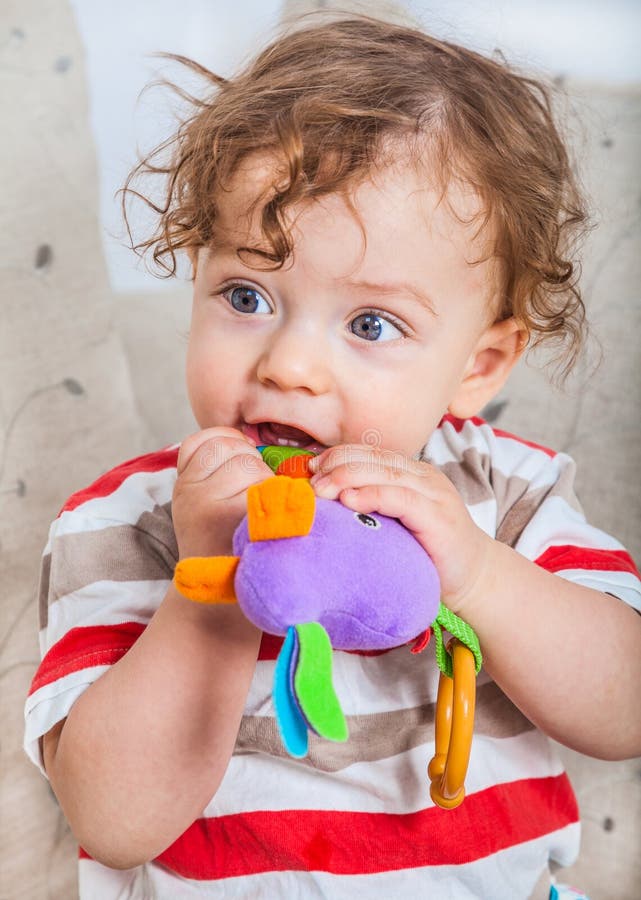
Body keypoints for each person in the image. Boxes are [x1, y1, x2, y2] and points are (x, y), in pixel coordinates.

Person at [24, 13, 641, 900]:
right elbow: (116, 823)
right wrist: (210, 586)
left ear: (478, 367)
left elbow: (621, 711)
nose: (289, 366)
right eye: (245, 294)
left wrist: (472, 573)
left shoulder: (508, 492)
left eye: (370, 324)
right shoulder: (129, 519)